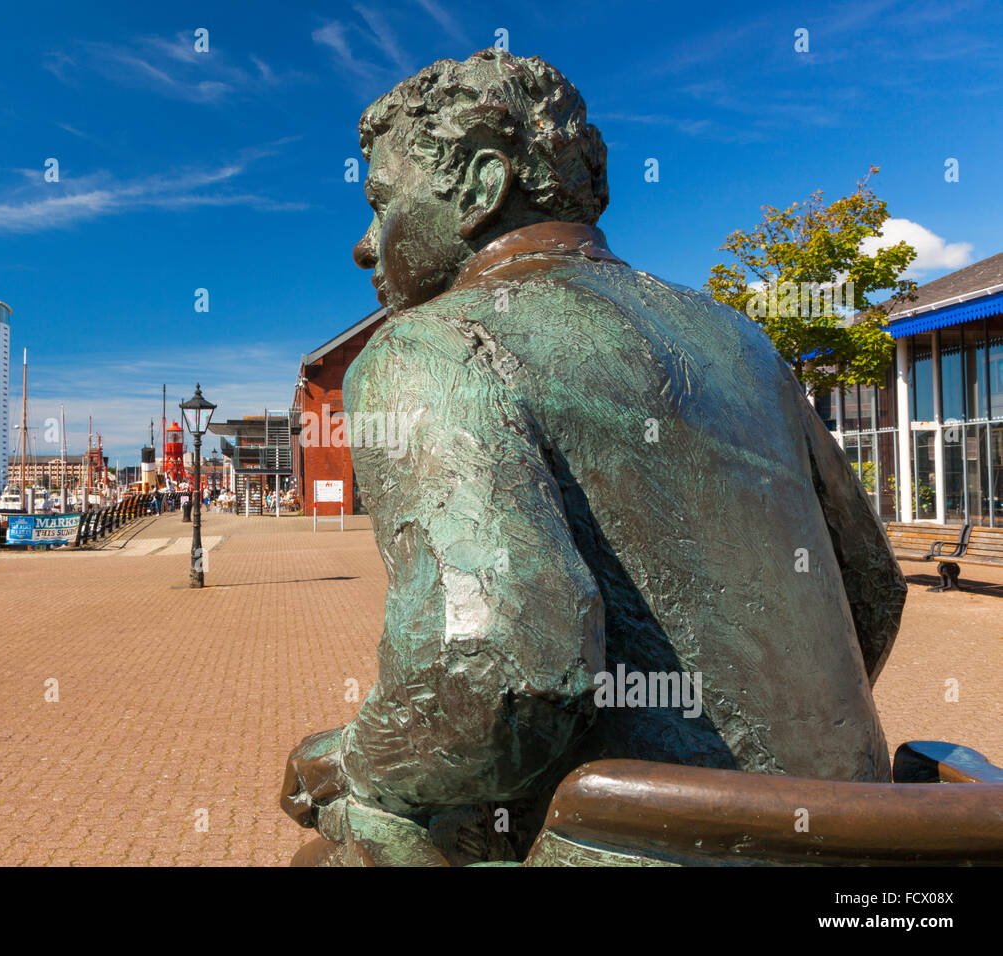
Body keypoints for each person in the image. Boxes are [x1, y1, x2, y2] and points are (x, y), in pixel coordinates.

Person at [281, 50, 905, 866]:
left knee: (348, 840)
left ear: (478, 188)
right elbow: (873, 588)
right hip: (871, 842)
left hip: (643, 846)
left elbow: (499, 675)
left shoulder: (431, 347)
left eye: (381, 202)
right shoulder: (739, 341)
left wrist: (354, 760)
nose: (367, 246)